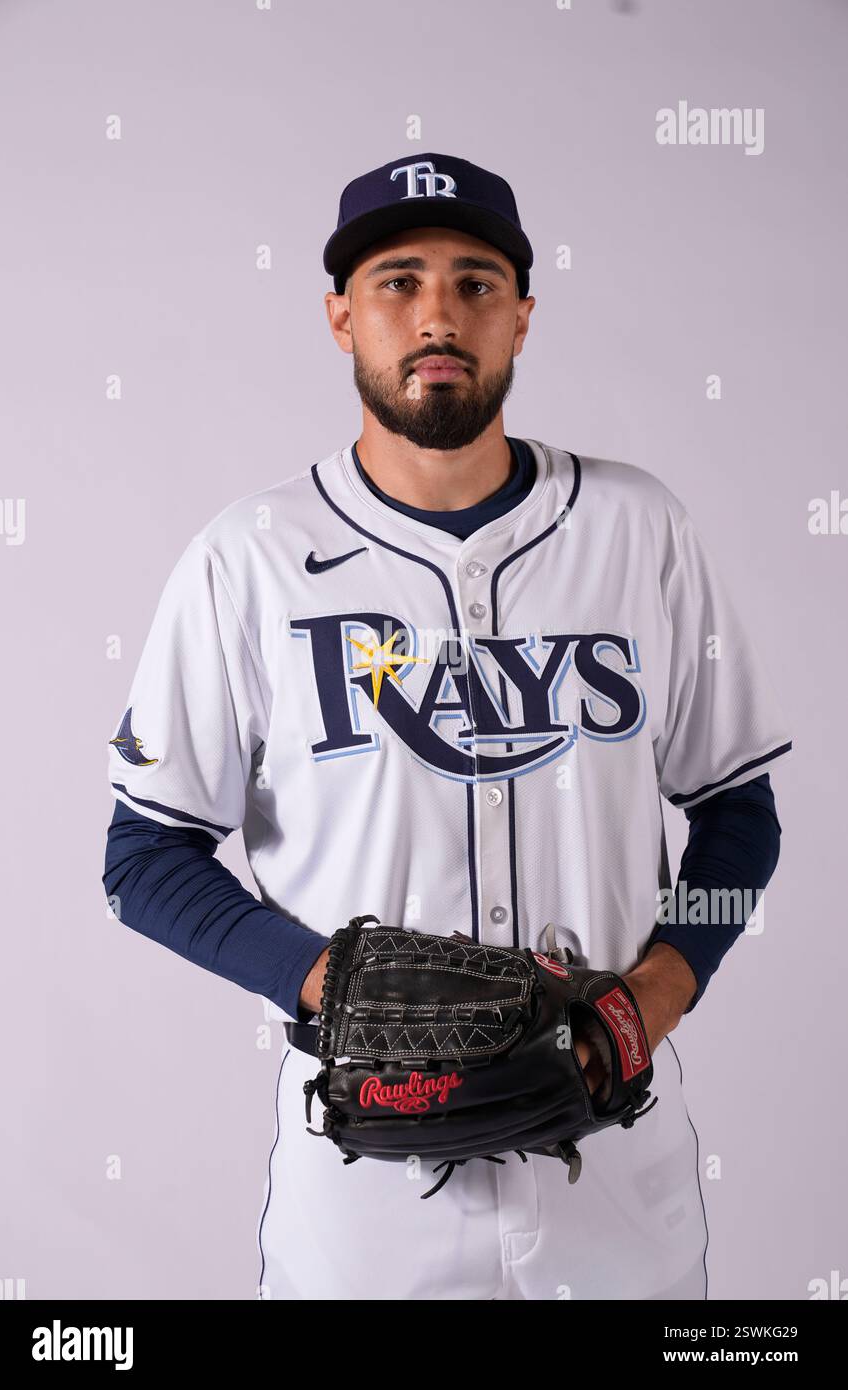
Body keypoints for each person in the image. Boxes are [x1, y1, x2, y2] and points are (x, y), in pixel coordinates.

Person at [103, 153, 791, 1300]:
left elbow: (737, 807)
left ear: (522, 316)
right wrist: (331, 980)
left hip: (612, 1170)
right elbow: (143, 859)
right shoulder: (248, 558)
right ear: (339, 317)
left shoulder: (637, 527)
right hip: (363, 1199)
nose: (437, 313)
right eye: (396, 279)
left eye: (476, 282)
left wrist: (653, 996)